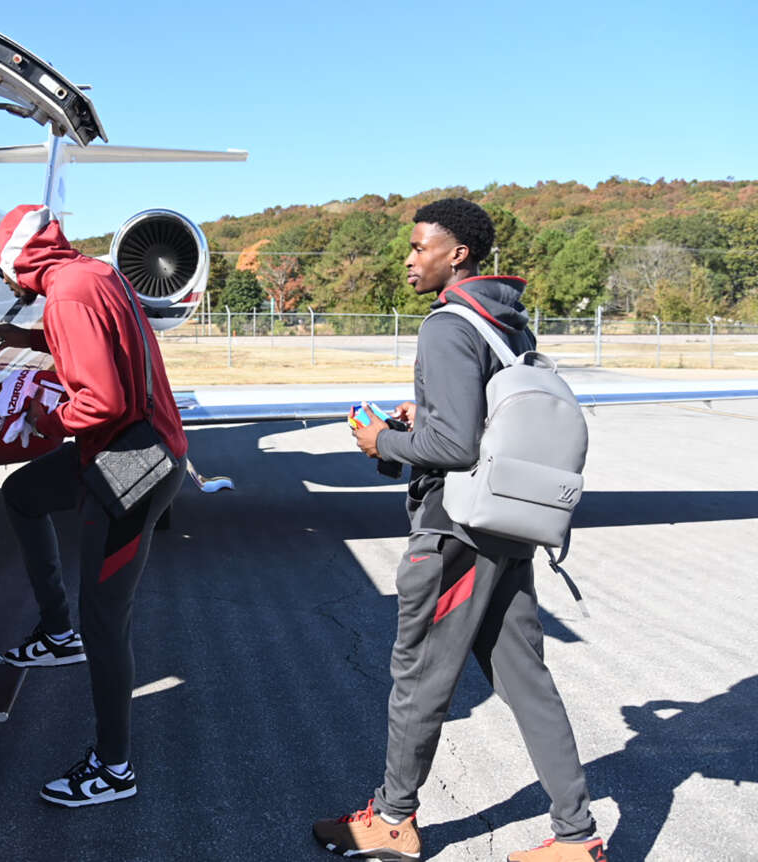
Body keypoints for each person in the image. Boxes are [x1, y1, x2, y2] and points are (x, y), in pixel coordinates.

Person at [313, 199, 606, 862]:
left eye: (421, 247)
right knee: (527, 680)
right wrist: (428, 418)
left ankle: (391, 820)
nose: (409, 258)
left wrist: (381, 438)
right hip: (505, 526)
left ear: (459, 255)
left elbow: (453, 446)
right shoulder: (504, 320)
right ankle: (576, 836)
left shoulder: (448, 325)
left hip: (455, 532)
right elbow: (476, 422)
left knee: (419, 674)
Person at [0, 204, 188, 808]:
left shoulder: (65, 295)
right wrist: (28, 339)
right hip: (143, 449)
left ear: (18, 264)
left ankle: (113, 769)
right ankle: (54, 632)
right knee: (22, 494)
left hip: (132, 463)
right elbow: (94, 331)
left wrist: (43, 416)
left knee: (107, 621)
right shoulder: (94, 275)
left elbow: (99, 401)